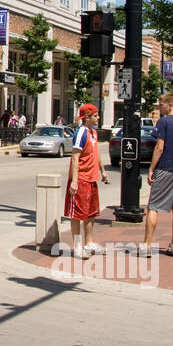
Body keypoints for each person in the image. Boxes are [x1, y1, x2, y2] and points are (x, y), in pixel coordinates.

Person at [141, 93, 173, 258]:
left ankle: (147, 245)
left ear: (170, 105)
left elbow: (159, 147)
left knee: (153, 207)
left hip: (166, 167)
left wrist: (151, 168)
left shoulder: (164, 122)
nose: (159, 107)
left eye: (161, 104)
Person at [65, 103, 109, 258]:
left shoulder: (94, 132)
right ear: (87, 117)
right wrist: (74, 181)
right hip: (81, 179)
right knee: (77, 214)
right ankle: (77, 246)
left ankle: (89, 242)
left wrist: (103, 171)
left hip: (92, 179)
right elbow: (75, 157)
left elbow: (95, 153)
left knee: (91, 213)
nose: (98, 118)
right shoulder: (81, 133)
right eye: (95, 115)